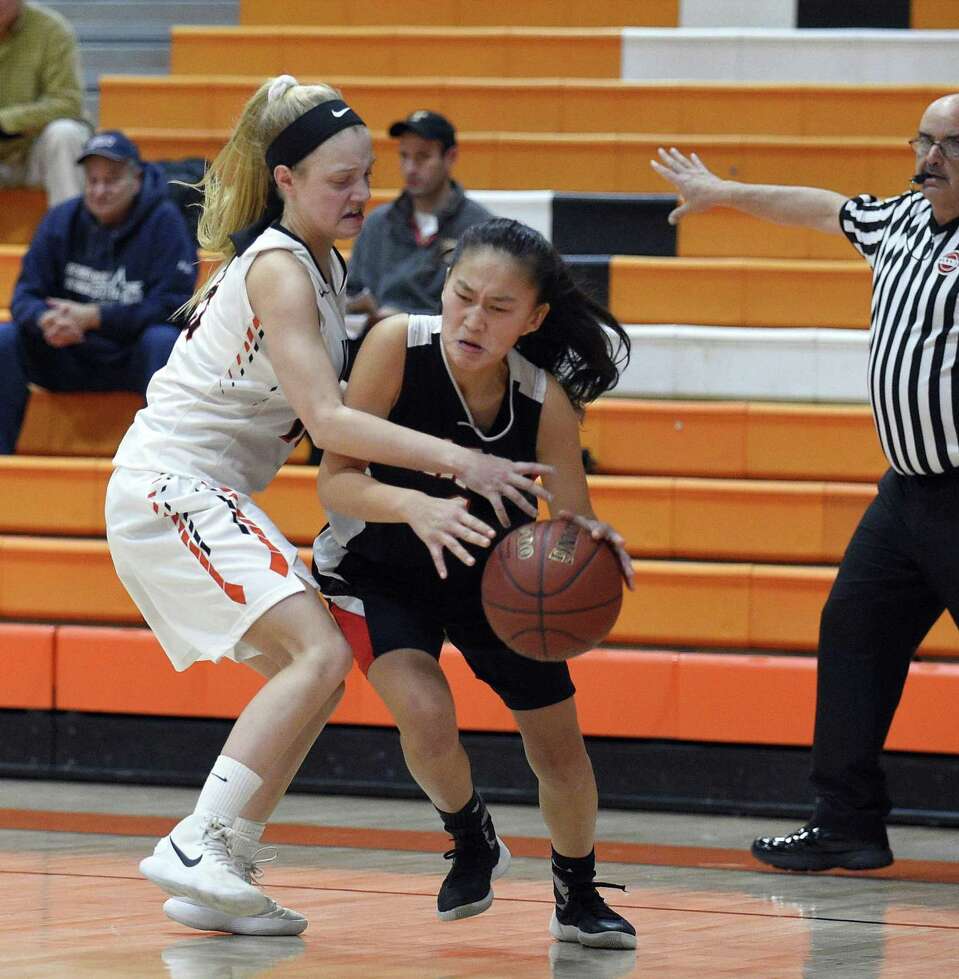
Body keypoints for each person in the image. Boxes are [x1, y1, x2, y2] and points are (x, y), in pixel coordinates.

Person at [105, 76, 550, 938]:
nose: (362, 193)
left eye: (366, 175)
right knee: (316, 651)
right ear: (287, 180)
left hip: (196, 490)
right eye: (340, 179)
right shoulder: (278, 265)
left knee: (305, 669)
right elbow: (329, 420)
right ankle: (199, 840)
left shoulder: (320, 260)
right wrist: (460, 459)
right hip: (174, 483)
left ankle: (219, 862)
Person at [651, 92, 959, 889]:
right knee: (853, 632)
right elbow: (826, 209)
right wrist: (727, 193)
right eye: (923, 141)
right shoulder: (901, 221)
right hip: (907, 495)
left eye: (951, 145)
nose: (931, 157)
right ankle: (848, 824)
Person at [313, 217, 639, 949]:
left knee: (560, 750)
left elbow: (573, 517)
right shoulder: (396, 344)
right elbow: (335, 484)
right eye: (464, 296)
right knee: (426, 717)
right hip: (381, 567)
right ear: (444, 287)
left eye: (499, 308)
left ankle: (577, 891)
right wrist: (418, 506)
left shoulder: (545, 398)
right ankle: (471, 836)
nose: (474, 318)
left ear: (534, 318)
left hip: (497, 581)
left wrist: (593, 542)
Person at [0, 130, 195, 454]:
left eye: (111, 180)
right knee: (5, 339)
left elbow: (173, 305)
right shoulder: (61, 219)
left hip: (127, 354)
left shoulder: (165, 223)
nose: (100, 191)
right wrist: (45, 319)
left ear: (137, 177)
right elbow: (24, 295)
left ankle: (171, 462)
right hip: (66, 349)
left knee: (164, 341)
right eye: (92, 181)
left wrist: (96, 317)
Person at [345, 109, 492, 330]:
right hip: (377, 347)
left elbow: (481, 308)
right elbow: (351, 292)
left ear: (450, 157)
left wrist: (404, 322)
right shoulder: (377, 224)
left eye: (423, 157)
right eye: (404, 156)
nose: (410, 168)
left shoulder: (480, 230)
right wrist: (355, 306)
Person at [0, 0, 90, 205]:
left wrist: (6, 121)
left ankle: (69, 232)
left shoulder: (52, 29)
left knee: (65, 133)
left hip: (36, 154)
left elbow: (69, 103)